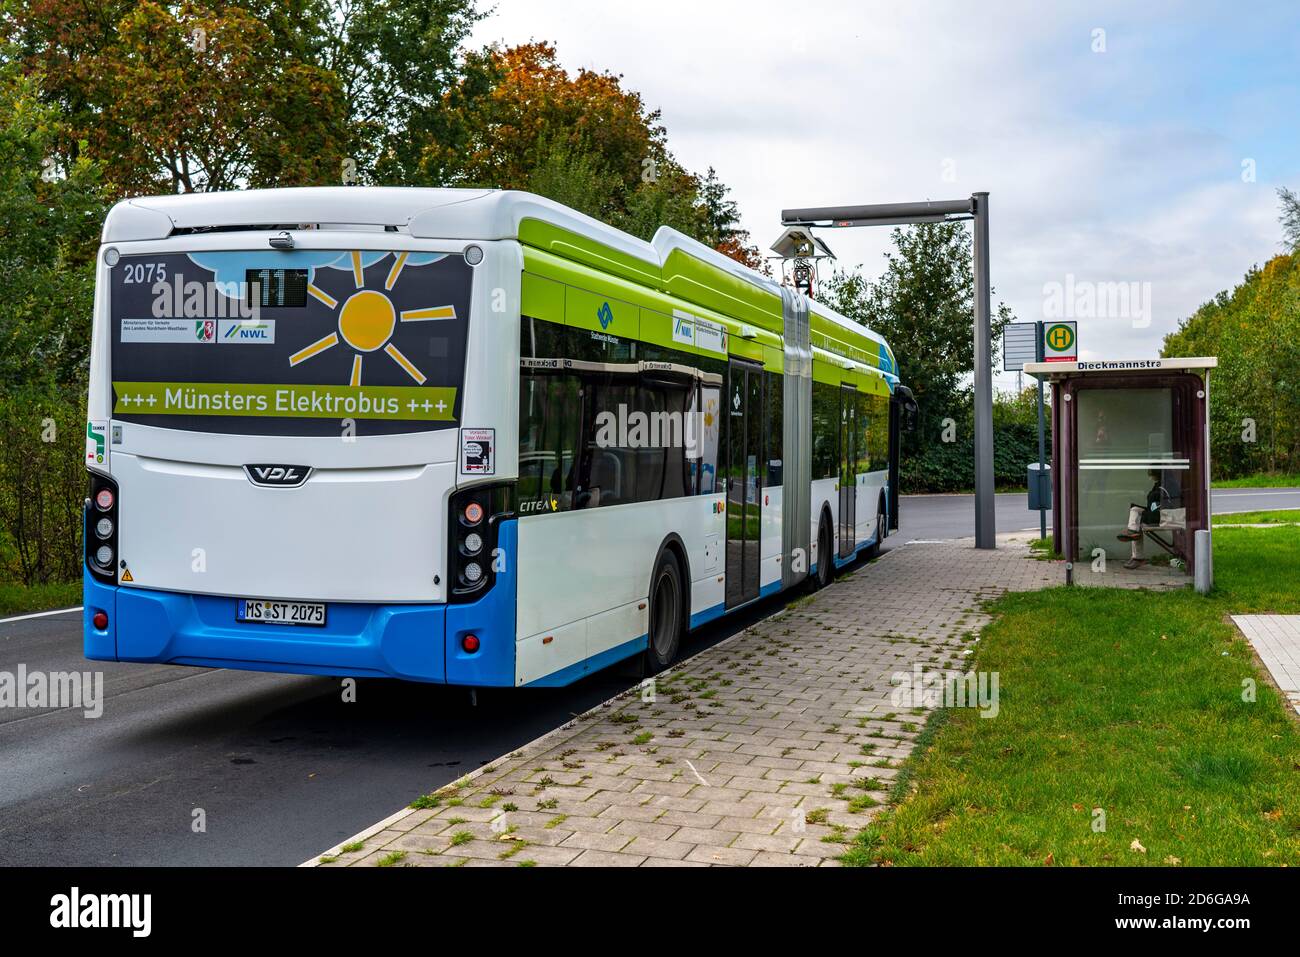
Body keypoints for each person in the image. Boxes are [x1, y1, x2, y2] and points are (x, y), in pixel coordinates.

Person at [1116, 470, 1167, 569]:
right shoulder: (1159, 484)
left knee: (1137, 523)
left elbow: (1157, 503)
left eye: (1151, 475)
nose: (1150, 477)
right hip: (1156, 512)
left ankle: (1137, 556)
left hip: (1161, 516)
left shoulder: (1164, 486)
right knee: (1135, 510)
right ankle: (1132, 531)